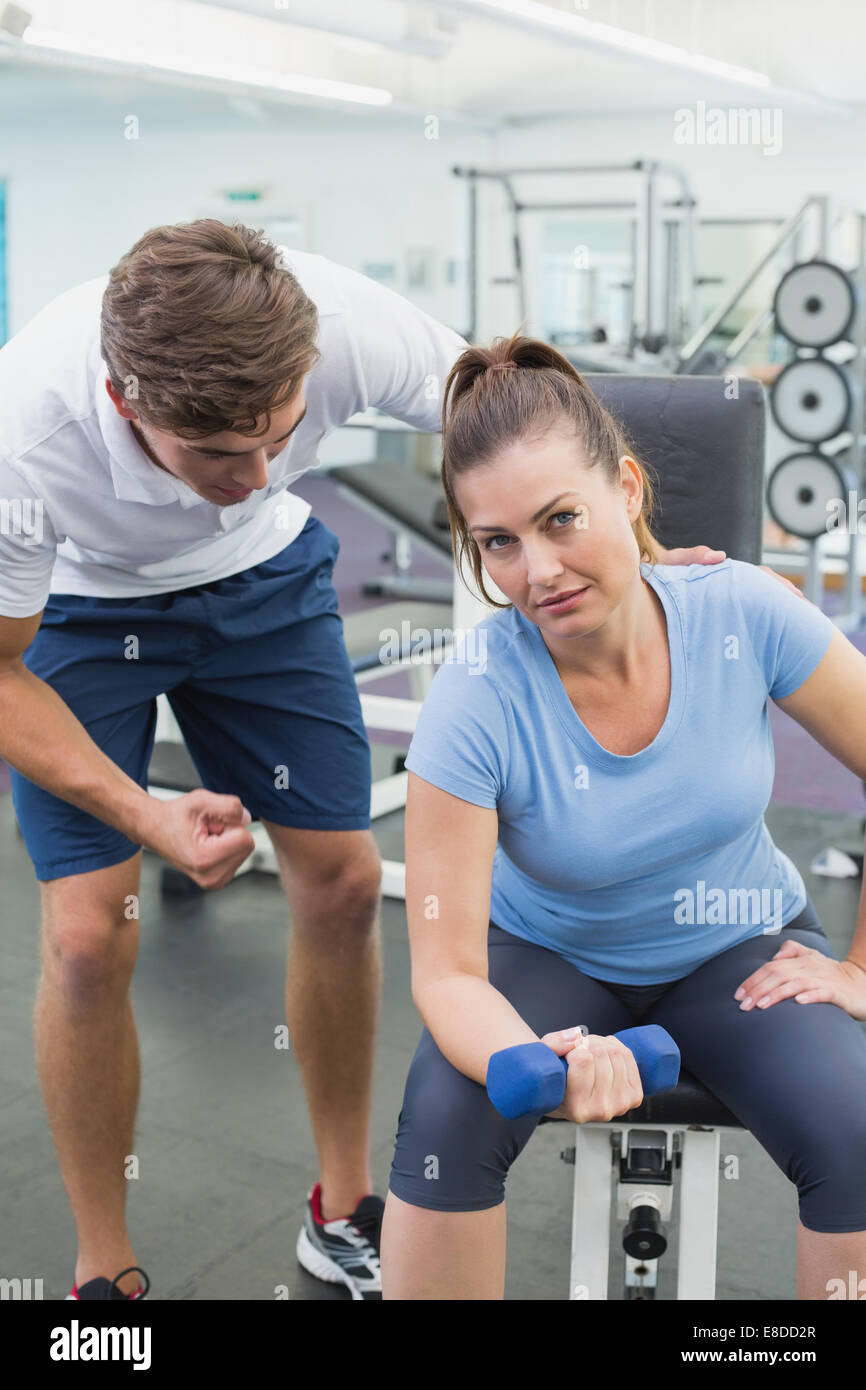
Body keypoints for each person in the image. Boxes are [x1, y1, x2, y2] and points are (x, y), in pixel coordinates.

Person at [0, 222, 729, 1302]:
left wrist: (643, 556)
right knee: (85, 936)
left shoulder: (344, 325)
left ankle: (341, 1211)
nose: (254, 476)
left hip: (263, 589)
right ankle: (103, 1266)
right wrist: (143, 814)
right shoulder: (26, 432)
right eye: (214, 455)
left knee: (341, 883)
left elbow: (522, 433)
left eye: (279, 441)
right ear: (123, 403)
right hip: (78, 610)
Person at [380, 334, 866, 1301]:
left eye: (563, 519)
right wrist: (526, 1054)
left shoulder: (741, 611)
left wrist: (860, 972)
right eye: (500, 543)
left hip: (739, 952)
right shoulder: (474, 700)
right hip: (546, 959)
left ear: (630, 490)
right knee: (443, 1119)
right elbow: (445, 970)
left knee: (858, 1123)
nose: (540, 571)